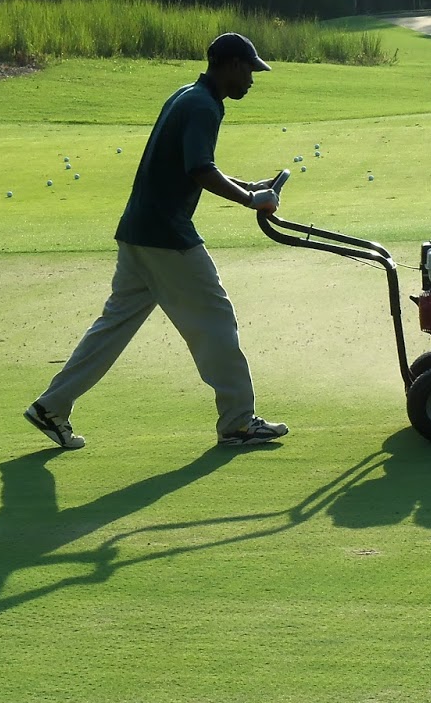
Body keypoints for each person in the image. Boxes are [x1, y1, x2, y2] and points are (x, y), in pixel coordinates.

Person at [25, 32, 289, 450]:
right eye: (250, 71)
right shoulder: (205, 106)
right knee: (216, 320)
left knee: (112, 327)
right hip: (167, 236)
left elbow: (193, 167)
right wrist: (251, 200)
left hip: (138, 232)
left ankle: (50, 406)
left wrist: (247, 185)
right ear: (232, 65)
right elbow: (201, 170)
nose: (252, 82)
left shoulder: (187, 95)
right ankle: (238, 422)